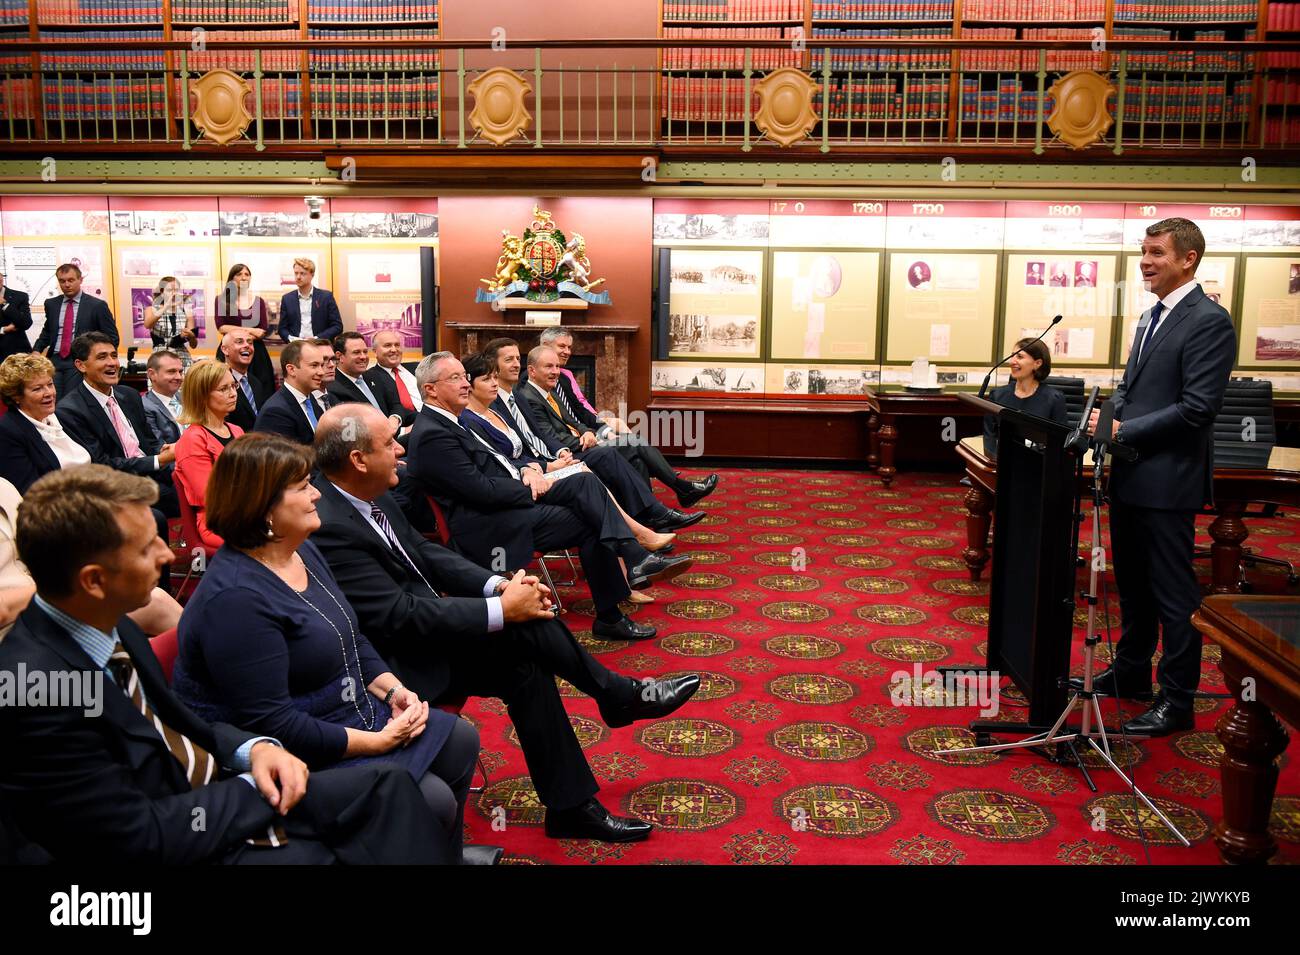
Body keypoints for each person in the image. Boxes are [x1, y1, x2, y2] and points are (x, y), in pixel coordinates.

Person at [1, 464, 448, 864]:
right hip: (170, 831)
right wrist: (253, 787)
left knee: (388, 791)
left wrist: (253, 749)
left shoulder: (110, 624)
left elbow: (182, 720)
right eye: (145, 549)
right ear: (94, 581)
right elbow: (136, 837)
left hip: (209, 786)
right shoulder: (35, 691)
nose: (167, 553)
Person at [312, 404, 700, 841]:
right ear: (358, 460)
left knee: (526, 660)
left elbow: (428, 556)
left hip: (431, 630)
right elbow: (398, 616)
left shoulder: (370, 492)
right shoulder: (328, 525)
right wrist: (501, 609)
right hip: (396, 666)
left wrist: (496, 586)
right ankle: (616, 696)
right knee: (521, 626)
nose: (400, 450)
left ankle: (573, 803)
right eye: (388, 444)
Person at [171, 434, 495, 864]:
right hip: (289, 751)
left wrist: (395, 691)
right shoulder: (236, 599)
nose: (317, 494)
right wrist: (376, 743)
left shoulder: (298, 549)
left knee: (460, 739)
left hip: (344, 709)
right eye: (303, 487)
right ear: (264, 506)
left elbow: (352, 635)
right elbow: (272, 721)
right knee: (434, 799)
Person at [1075, 217, 1237, 736]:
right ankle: (1131, 673)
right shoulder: (1151, 317)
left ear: (1188, 259)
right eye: (1143, 251)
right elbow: (1131, 387)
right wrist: (1105, 422)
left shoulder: (1208, 320)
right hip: (1129, 472)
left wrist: (1124, 427)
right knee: (1135, 587)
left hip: (1168, 481)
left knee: (1173, 594)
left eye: (1157, 253)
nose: (1145, 261)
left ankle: (1178, 698)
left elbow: (1197, 409)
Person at [405, 352, 691, 641]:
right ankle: (626, 577)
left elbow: (499, 462)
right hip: (488, 524)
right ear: (430, 389)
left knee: (586, 487)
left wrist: (528, 470)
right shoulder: (434, 433)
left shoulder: (452, 420)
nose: (465, 384)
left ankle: (627, 576)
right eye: (455, 378)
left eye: (464, 377)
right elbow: (481, 491)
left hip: (506, 502)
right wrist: (529, 485)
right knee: (591, 510)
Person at [460, 352, 674, 570]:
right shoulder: (472, 419)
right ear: (469, 386)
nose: (495, 383)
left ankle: (637, 551)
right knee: (590, 476)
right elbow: (502, 460)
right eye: (487, 379)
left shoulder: (496, 411)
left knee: (615, 462)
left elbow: (546, 433)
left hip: (538, 467)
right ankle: (639, 539)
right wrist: (541, 466)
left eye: (495, 377)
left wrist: (556, 455)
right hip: (524, 484)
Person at [533, 332, 719, 508]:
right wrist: (592, 437)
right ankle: (679, 489)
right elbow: (546, 434)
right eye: (561, 347)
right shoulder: (532, 389)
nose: (566, 353)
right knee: (634, 441)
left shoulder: (562, 378)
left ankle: (654, 516)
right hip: (572, 451)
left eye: (569, 347)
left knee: (637, 459)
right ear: (544, 347)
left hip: (586, 436)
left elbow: (579, 412)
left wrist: (598, 431)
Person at [0, 474, 181, 637]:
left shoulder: (5, 487)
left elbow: (38, 550)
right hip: (16, 626)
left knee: (155, 600)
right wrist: (69, 585)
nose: (168, 556)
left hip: (56, 599)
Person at [55, 332, 178, 518]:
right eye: (102, 357)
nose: (112, 363)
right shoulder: (70, 411)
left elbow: (149, 442)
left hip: (152, 475)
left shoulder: (129, 395)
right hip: (115, 486)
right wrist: (159, 460)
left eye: (114, 355)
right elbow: (101, 464)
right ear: (81, 365)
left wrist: (167, 457)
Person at [173, 361, 243, 550]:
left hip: (246, 514)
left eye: (233, 386)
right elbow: (209, 497)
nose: (233, 393)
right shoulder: (193, 439)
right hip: (218, 523)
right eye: (223, 389)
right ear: (202, 396)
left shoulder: (236, 430)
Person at [0, 352, 92, 493]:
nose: (49, 393)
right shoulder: (8, 432)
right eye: (37, 389)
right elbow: (31, 492)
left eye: (50, 384)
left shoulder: (58, 417)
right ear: (16, 396)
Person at [33, 263, 119, 395]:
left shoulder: (97, 306)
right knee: (53, 399)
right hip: (54, 360)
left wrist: (98, 357)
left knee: (72, 400)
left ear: (80, 280)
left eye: (71, 280)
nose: (66, 285)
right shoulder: (51, 304)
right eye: (62, 281)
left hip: (80, 361)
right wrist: (37, 350)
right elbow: (48, 331)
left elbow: (112, 338)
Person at [981, 338, 1068, 458]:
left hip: (1038, 467)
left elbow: (1060, 442)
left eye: (1019, 357)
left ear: (1037, 363)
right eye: (1012, 356)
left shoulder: (1054, 399)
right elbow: (989, 437)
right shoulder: (997, 395)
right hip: (1001, 466)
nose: (1012, 361)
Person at [214, 263, 275, 395]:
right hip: (229, 350)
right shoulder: (221, 300)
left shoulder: (259, 301)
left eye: (247, 274)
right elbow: (222, 327)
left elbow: (262, 330)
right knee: (227, 387)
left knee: (261, 390)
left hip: (256, 352)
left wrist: (243, 337)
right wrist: (251, 331)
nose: (243, 277)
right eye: (239, 274)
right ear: (232, 278)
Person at [253, 339, 328, 444]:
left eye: (321, 365)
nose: (321, 372)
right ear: (291, 369)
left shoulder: (312, 400)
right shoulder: (276, 412)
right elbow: (284, 458)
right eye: (314, 365)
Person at [279, 258, 342, 344]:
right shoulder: (287, 299)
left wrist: (317, 338)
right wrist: (292, 340)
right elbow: (282, 329)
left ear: (312, 274)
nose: (298, 277)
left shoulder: (326, 297)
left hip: (320, 346)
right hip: (296, 348)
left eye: (302, 273)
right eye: (296, 273)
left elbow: (337, 326)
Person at [221, 326, 270, 432]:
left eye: (250, 342)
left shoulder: (256, 383)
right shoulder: (218, 382)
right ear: (225, 350)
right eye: (239, 342)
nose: (247, 345)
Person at [367, 329, 422, 424]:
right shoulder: (370, 378)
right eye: (387, 345)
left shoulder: (418, 367)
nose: (394, 350)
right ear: (375, 351)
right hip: (405, 428)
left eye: (397, 345)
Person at [142, 276, 197, 366]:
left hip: (182, 358)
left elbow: (194, 345)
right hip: (159, 357)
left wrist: (191, 336)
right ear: (162, 292)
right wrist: (166, 306)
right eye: (170, 290)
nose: (174, 293)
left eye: (176, 290)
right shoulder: (151, 309)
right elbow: (148, 324)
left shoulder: (187, 311)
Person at [141, 348, 186, 446]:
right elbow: (159, 448)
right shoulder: (145, 407)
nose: (179, 377)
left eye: (180, 372)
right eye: (171, 372)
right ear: (152, 374)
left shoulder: (186, 398)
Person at [0, 270, 33, 362]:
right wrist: (4, 329)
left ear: (2, 279)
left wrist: (5, 304)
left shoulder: (20, 296)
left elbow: (26, 323)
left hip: (17, 353)